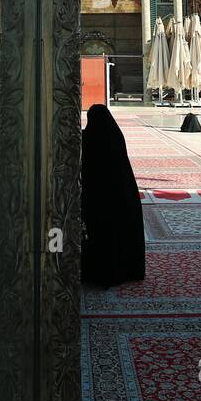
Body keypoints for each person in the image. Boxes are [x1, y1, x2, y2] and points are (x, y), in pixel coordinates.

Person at [81, 105, 145, 288]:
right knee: (117, 233)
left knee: (97, 234)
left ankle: (95, 270)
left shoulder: (88, 138)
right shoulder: (115, 135)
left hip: (95, 196)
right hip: (119, 194)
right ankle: (121, 269)